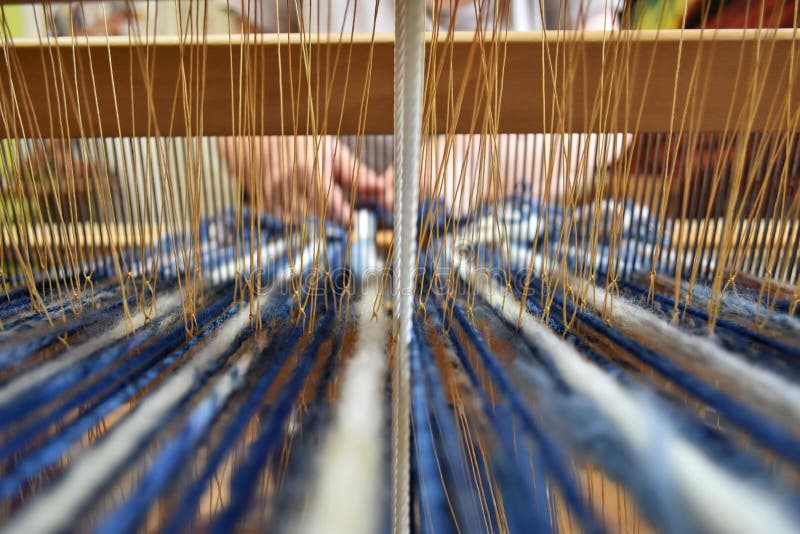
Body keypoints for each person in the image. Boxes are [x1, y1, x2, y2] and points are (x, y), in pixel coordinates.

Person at [221, 0, 621, 226]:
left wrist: (477, 164)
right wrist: (277, 151)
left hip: (511, 237)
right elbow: (236, 97)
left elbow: (612, 108)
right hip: (324, 242)